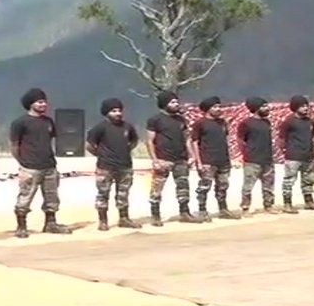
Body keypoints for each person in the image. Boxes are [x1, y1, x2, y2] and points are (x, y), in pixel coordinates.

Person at [9, 88, 73, 238]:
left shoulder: (48, 121)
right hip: (30, 167)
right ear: (31, 104)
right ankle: (21, 226)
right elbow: (14, 146)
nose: (43, 104)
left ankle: (50, 224)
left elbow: (50, 141)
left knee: (52, 197)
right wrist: (23, 163)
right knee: (25, 197)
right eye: (39, 102)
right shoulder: (20, 122)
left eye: (44, 101)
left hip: (49, 166)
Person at [145, 91, 200, 226]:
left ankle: (184, 213)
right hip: (163, 159)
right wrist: (155, 160)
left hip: (181, 159)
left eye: (176, 102)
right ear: (165, 104)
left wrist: (192, 156)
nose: (176, 104)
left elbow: (187, 139)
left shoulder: (181, 120)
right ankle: (155, 215)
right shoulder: (155, 120)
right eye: (172, 102)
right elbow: (149, 141)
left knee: (183, 187)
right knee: (157, 188)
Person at [86, 98, 141, 231]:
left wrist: (126, 150)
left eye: (119, 111)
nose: (118, 113)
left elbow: (134, 141)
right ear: (106, 113)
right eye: (114, 111)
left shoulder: (127, 126)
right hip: (105, 168)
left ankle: (124, 219)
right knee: (103, 194)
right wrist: (101, 155)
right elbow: (89, 145)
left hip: (125, 166)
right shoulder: (100, 127)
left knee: (123, 194)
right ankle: (103, 221)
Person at [188, 96, 241, 221]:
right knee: (204, 187)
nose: (218, 109)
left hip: (223, 160)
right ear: (208, 109)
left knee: (223, 186)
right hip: (207, 160)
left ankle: (223, 210)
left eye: (219, 106)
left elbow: (225, 139)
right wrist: (198, 161)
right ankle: (202, 211)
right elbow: (194, 142)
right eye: (215, 107)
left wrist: (231, 158)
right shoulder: (200, 124)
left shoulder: (222, 123)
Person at [278, 95, 314, 214]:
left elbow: (312, 135)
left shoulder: (309, 122)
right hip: (294, 156)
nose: (305, 108)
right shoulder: (288, 122)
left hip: (308, 155)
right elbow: (281, 139)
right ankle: (287, 204)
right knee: (289, 180)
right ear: (295, 107)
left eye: (306, 106)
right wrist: (286, 151)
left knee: (308, 180)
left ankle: (309, 201)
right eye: (302, 106)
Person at [237, 96, 281, 214]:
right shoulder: (246, 123)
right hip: (252, 160)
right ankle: (245, 207)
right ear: (256, 108)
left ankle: (268, 205)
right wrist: (244, 154)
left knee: (269, 185)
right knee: (248, 186)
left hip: (267, 159)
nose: (267, 108)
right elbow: (241, 140)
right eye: (264, 106)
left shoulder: (267, 122)